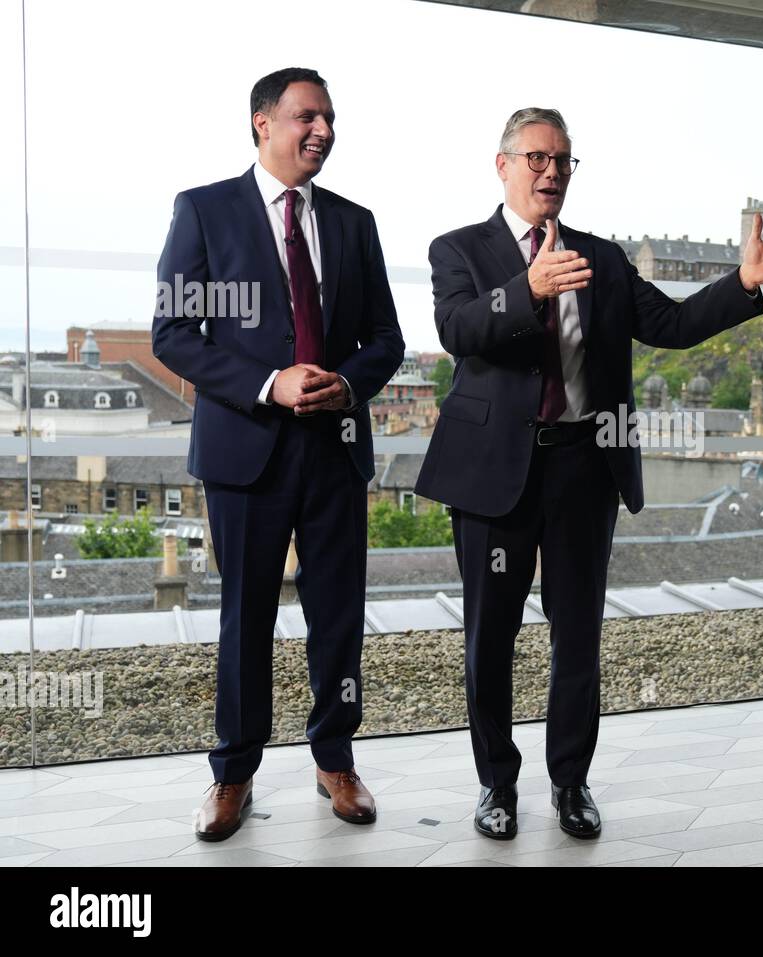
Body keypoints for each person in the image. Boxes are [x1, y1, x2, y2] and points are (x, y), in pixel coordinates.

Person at [414, 108, 763, 840]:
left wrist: (744, 282)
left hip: (581, 466)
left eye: (563, 161)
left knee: (579, 633)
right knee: (489, 634)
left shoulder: (603, 256)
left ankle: (570, 783)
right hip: (493, 473)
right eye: (536, 158)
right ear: (501, 165)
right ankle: (496, 785)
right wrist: (527, 288)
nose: (551, 173)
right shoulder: (459, 249)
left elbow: (673, 325)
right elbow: (457, 330)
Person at [152, 67, 405, 842]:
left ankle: (336, 758)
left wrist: (343, 386)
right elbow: (171, 334)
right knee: (244, 620)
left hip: (334, 452)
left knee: (339, 620)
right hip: (245, 453)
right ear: (262, 123)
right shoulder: (204, 211)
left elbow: (387, 342)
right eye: (307, 117)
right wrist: (269, 383)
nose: (322, 130)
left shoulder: (355, 222)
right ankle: (233, 774)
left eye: (329, 118)